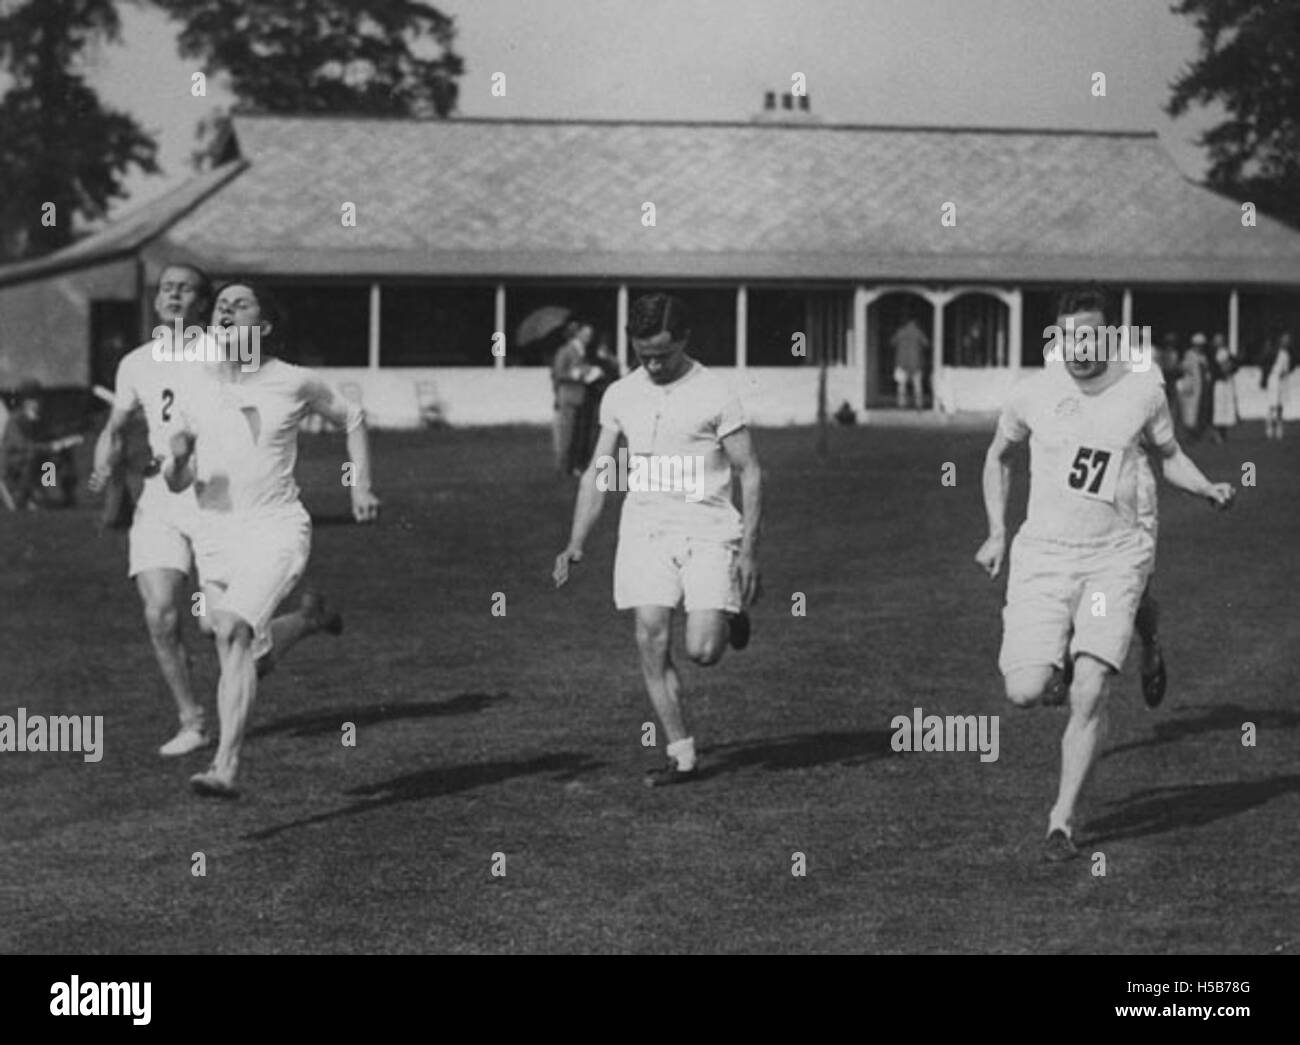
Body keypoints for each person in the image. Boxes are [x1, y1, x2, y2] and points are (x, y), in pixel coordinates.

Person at [976, 286, 1234, 862]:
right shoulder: (1031, 394)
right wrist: (996, 531)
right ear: (1058, 338)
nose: (1081, 346)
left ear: (1111, 337)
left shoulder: (1141, 390)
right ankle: (1093, 644)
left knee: (1090, 687)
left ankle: (1061, 823)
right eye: (1071, 337)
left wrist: (1206, 487)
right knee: (1025, 691)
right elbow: (998, 456)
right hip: (1045, 556)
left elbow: (1169, 455)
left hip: (1115, 555)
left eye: (1092, 336)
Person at [163, 280, 380, 797]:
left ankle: (224, 766)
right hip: (215, 535)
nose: (225, 310)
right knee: (241, 651)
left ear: (262, 326)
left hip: (275, 528)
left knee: (231, 630)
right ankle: (308, 620)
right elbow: (176, 480)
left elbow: (352, 418)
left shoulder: (293, 380)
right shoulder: (195, 383)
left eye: (239, 305)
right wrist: (176, 459)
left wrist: (360, 486)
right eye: (220, 305)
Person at [553, 293, 762, 786]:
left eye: (663, 355)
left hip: (708, 528)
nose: (652, 364)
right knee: (650, 634)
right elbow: (599, 471)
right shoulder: (620, 394)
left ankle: (728, 616)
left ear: (684, 339)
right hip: (645, 529)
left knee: (703, 651)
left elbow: (750, 471)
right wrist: (576, 540)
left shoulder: (715, 392)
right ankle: (681, 753)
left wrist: (750, 552)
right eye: (643, 354)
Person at [89, 266, 216, 755]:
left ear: (202, 303)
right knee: (160, 613)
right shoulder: (136, 363)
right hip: (161, 494)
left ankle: (299, 625)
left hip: (216, 493)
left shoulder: (224, 353)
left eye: (185, 288)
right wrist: (104, 461)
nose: (173, 294)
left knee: (215, 624)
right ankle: (192, 721)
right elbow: (116, 428)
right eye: (166, 287)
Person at [3, 382, 79, 510]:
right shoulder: (15, 420)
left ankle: (60, 494)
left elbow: (50, 437)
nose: (38, 403)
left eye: (38, 399)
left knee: (59, 456)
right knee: (35, 455)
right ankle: (23, 497)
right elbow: (22, 445)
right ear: (25, 402)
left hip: (36, 457)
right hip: (15, 462)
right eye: (33, 399)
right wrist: (50, 447)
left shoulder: (40, 420)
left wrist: (63, 443)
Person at [551, 321, 593, 476]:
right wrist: (576, 374)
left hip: (580, 396)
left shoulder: (582, 351)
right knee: (565, 435)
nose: (589, 337)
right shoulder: (566, 350)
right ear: (578, 333)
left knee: (576, 435)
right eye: (586, 334)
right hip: (568, 396)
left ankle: (572, 466)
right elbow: (558, 373)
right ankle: (562, 467)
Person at [890, 316, 929, 409]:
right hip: (916, 363)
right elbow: (926, 343)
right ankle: (919, 404)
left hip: (902, 362)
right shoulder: (918, 332)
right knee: (917, 384)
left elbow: (892, 342)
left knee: (901, 384)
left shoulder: (901, 332)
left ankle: (901, 403)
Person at [1208, 333, 1238, 443]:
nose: (1219, 343)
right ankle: (1216, 434)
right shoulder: (1212, 355)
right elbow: (1212, 370)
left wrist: (1230, 368)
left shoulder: (1228, 353)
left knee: (1227, 407)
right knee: (1218, 408)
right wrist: (1221, 373)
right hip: (1219, 383)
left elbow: (1235, 365)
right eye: (1217, 341)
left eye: (1220, 341)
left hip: (1228, 383)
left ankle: (1224, 433)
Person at [1264, 331, 1292, 440]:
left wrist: (1286, 372)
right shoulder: (1274, 352)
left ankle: (1279, 426)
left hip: (1283, 381)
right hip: (1274, 379)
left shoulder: (1288, 353)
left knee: (1280, 404)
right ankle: (1269, 425)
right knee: (1272, 403)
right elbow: (1267, 364)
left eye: (1288, 340)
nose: (1287, 342)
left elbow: (1288, 366)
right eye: (1285, 340)